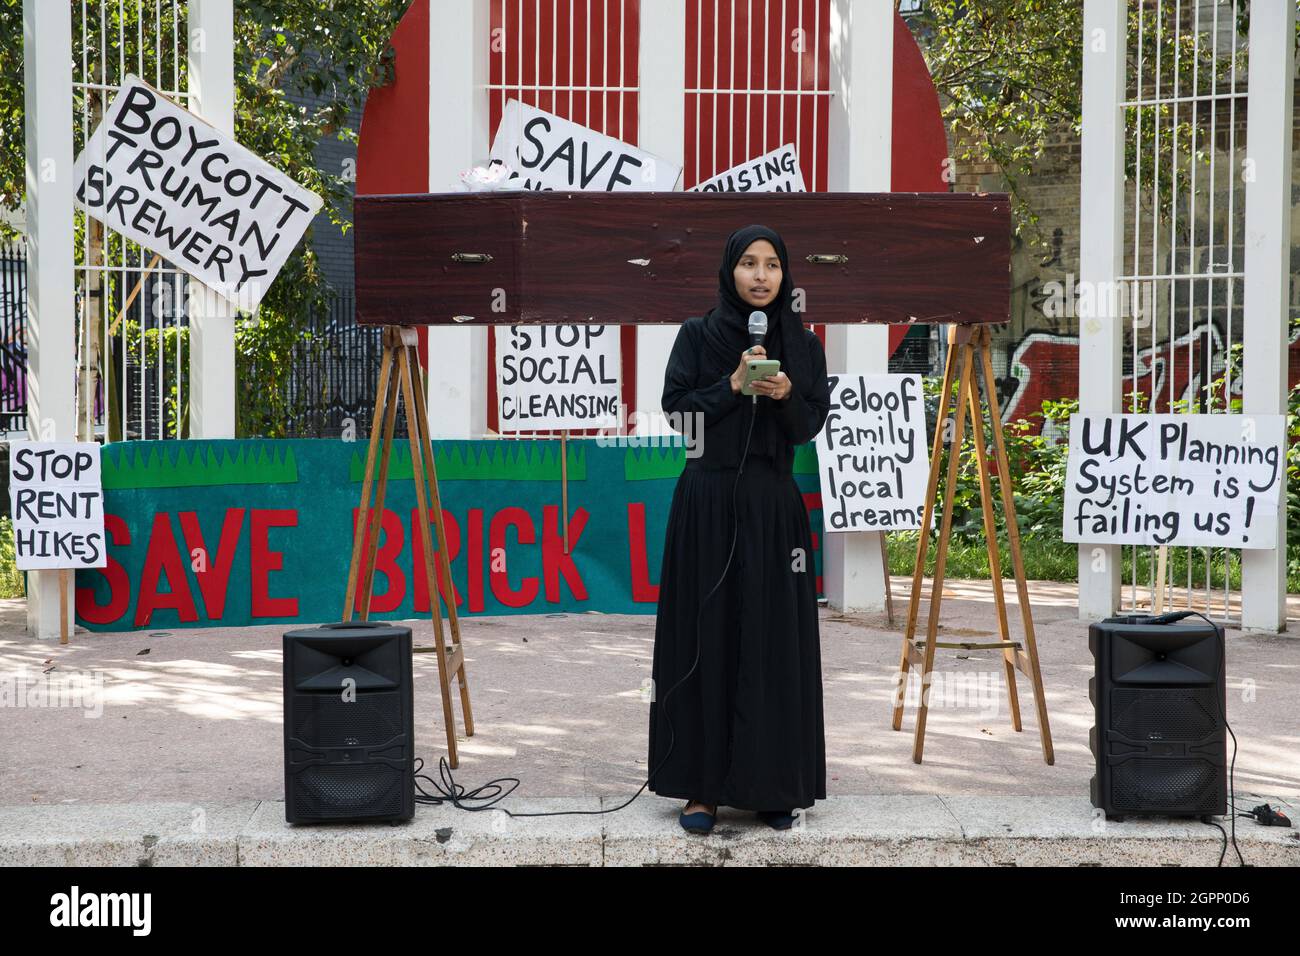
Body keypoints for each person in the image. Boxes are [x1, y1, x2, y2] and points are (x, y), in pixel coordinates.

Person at [646, 223, 831, 833]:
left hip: (773, 507)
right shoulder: (698, 335)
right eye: (748, 263)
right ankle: (701, 790)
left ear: (785, 276)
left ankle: (772, 785)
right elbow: (678, 413)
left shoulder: (803, 345)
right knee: (707, 638)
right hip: (706, 499)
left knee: (771, 642)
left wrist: (782, 395)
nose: (760, 275)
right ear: (729, 271)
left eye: (772, 265)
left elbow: (807, 428)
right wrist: (730, 386)